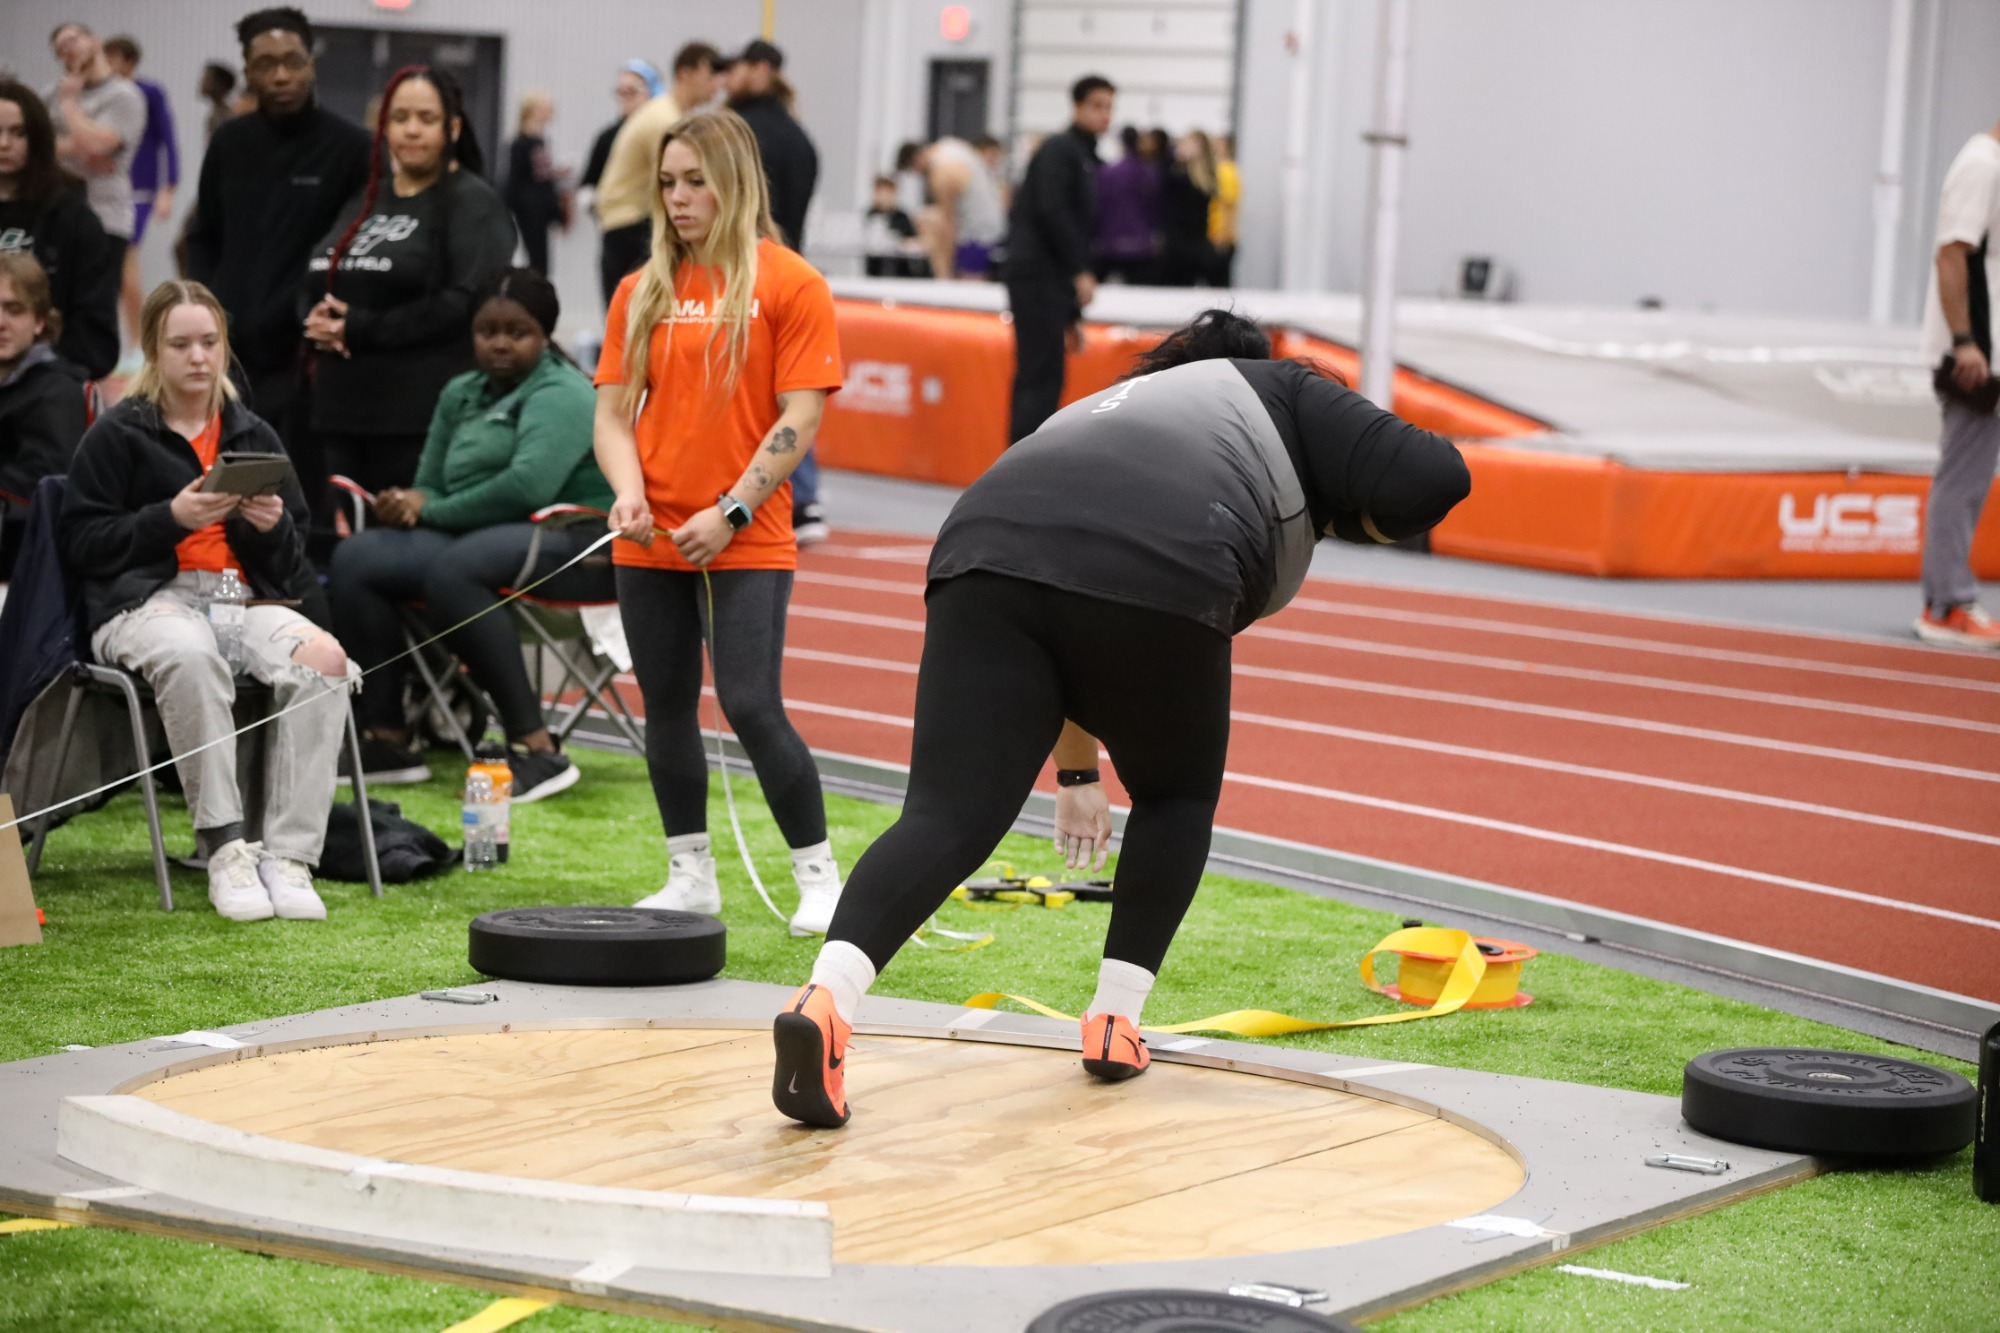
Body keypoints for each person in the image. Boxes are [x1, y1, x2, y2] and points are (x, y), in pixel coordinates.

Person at [769, 310, 1472, 1128]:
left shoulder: (1105, 406)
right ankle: (1114, 1020)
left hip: (981, 545)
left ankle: (826, 1000)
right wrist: (1359, 513)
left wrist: (1075, 773)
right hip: (1163, 561)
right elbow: (1437, 473)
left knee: (945, 815)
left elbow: (1066, 594)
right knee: (1174, 798)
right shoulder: (1285, 386)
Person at [592, 109, 847, 935]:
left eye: (695, 180)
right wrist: (627, 492)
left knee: (749, 702)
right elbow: (611, 415)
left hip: (747, 534)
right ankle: (689, 874)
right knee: (664, 705)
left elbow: (800, 417)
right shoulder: (641, 290)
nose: (677, 197)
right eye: (668, 182)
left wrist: (733, 508)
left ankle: (820, 877)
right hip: (651, 535)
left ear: (734, 183)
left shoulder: (791, 282)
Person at [59, 280, 354, 923]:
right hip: (141, 601)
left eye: (210, 342)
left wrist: (269, 526)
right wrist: (171, 517)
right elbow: (82, 544)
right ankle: (223, 848)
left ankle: (290, 856)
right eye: (181, 344)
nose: (198, 357)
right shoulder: (118, 434)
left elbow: (290, 566)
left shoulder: (252, 432)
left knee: (326, 660)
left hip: (233, 596)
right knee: (193, 655)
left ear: (225, 348)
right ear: (154, 352)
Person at [330, 269, 612, 797]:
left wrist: (428, 511)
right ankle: (389, 736)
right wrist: (408, 505)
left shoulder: (564, 392)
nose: (500, 343)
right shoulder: (461, 391)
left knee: (454, 569)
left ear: (544, 335)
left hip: (580, 543)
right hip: (485, 539)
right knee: (358, 558)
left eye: (518, 332)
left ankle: (538, 748)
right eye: (487, 331)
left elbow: (528, 487)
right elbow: (429, 485)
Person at [301, 64, 516, 516]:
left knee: (390, 563)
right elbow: (317, 270)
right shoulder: (365, 195)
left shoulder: (473, 202)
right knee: (334, 560)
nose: (411, 131)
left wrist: (358, 328)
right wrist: (313, 318)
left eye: (426, 118)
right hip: (338, 412)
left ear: (452, 127)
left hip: (416, 419)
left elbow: (464, 303)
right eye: (399, 119)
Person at [184, 7, 371, 450]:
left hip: (305, 360)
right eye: (266, 65)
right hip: (229, 355)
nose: (281, 75)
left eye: (293, 61)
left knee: (294, 501)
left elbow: (358, 253)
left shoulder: (351, 149)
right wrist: (209, 312)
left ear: (312, 63)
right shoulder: (230, 142)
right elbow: (203, 234)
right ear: (248, 71)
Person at [1917, 115, 2000, 650]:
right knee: (1963, 477)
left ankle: (1949, 597)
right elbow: (1951, 254)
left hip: (1988, 348)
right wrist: (1965, 340)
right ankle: (1944, 603)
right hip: (1975, 354)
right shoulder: (1982, 165)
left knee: (1972, 474)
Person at [1003, 75, 1113, 444]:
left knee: (1046, 376)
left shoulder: (1082, 155)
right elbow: (1053, 214)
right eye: (1097, 106)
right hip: (1035, 275)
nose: (1105, 115)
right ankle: (1019, 469)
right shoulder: (1059, 151)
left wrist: (1070, 315)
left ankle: (1023, 465)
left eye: (1109, 107)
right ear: (1077, 106)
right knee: (1039, 375)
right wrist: (1079, 271)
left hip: (1048, 279)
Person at [0, 80, 121, 380]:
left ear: (38, 138)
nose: (3, 143)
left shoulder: (73, 218)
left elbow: (96, 336)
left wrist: (38, 372)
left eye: (18, 132)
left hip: (45, 384)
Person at [595, 43, 722, 307]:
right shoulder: (665, 121)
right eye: (711, 75)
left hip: (625, 226)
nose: (717, 85)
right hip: (631, 231)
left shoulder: (663, 113)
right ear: (686, 74)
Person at [0, 252, 88, 578]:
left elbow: (48, 487)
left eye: (14, 309)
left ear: (39, 321)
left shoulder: (56, 391)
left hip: (27, 563)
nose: (1, 322)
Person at [45, 23, 146, 288]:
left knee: (96, 305)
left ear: (96, 41)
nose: (67, 50)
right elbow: (34, 145)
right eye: (60, 50)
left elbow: (97, 146)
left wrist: (69, 104)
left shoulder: (125, 95)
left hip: (106, 216)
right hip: (58, 212)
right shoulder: (48, 95)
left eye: (72, 40)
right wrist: (75, 147)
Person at [101, 36, 178, 366]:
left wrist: (168, 188)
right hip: (107, 191)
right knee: (110, 268)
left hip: (140, 192)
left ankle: (138, 344)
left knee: (126, 263)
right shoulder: (106, 97)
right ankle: (124, 339)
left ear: (129, 62)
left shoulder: (149, 92)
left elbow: (168, 141)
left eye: (113, 59)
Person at [724, 40, 818, 251]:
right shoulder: (799, 137)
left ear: (760, 69)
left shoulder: (735, 131)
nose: (725, 81)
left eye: (733, 70)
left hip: (742, 262)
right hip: (787, 265)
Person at [913, 136, 1007, 280]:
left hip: (977, 233)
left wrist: (946, 265)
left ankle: (943, 278)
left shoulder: (941, 175)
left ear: (917, 161)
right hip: (992, 222)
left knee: (928, 219)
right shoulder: (949, 146)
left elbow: (948, 222)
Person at [579, 62, 659, 222]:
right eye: (621, 92)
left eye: (632, 91)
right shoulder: (607, 136)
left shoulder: (659, 128)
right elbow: (588, 183)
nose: (625, 97)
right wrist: (599, 207)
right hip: (621, 221)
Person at [504, 92, 568, 276]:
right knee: (537, 258)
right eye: (546, 109)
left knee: (542, 259)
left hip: (540, 207)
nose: (550, 113)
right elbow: (519, 178)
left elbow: (540, 175)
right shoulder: (521, 143)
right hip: (530, 208)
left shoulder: (539, 141)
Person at [1094, 126, 1160, 286]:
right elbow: (1156, 209)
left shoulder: (1107, 173)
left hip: (1110, 243)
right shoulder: (1149, 173)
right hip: (1141, 244)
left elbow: (1098, 207)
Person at [1157, 131, 1217, 288]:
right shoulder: (1181, 172)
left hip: (1189, 245)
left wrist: (1176, 156)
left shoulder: (1200, 179)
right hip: (1177, 243)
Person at [862, 175, 923, 278]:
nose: (884, 197)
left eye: (887, 192)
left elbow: (914, 242)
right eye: (880, 192)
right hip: (875, 272)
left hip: (899, 273)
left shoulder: (902, 217)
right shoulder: (870, 215)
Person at [1208, 133, 1239, 288]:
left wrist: (1224, 234)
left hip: (1220, 236)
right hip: (1216, 234)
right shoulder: (1217, 169)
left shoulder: (1226, 170)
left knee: (1219, 283)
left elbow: (1229, 206)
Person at [199, 62, 239, 141]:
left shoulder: (226, 116)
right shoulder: (214, 114)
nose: (201, 83)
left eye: (207, 79)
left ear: (219, 85)